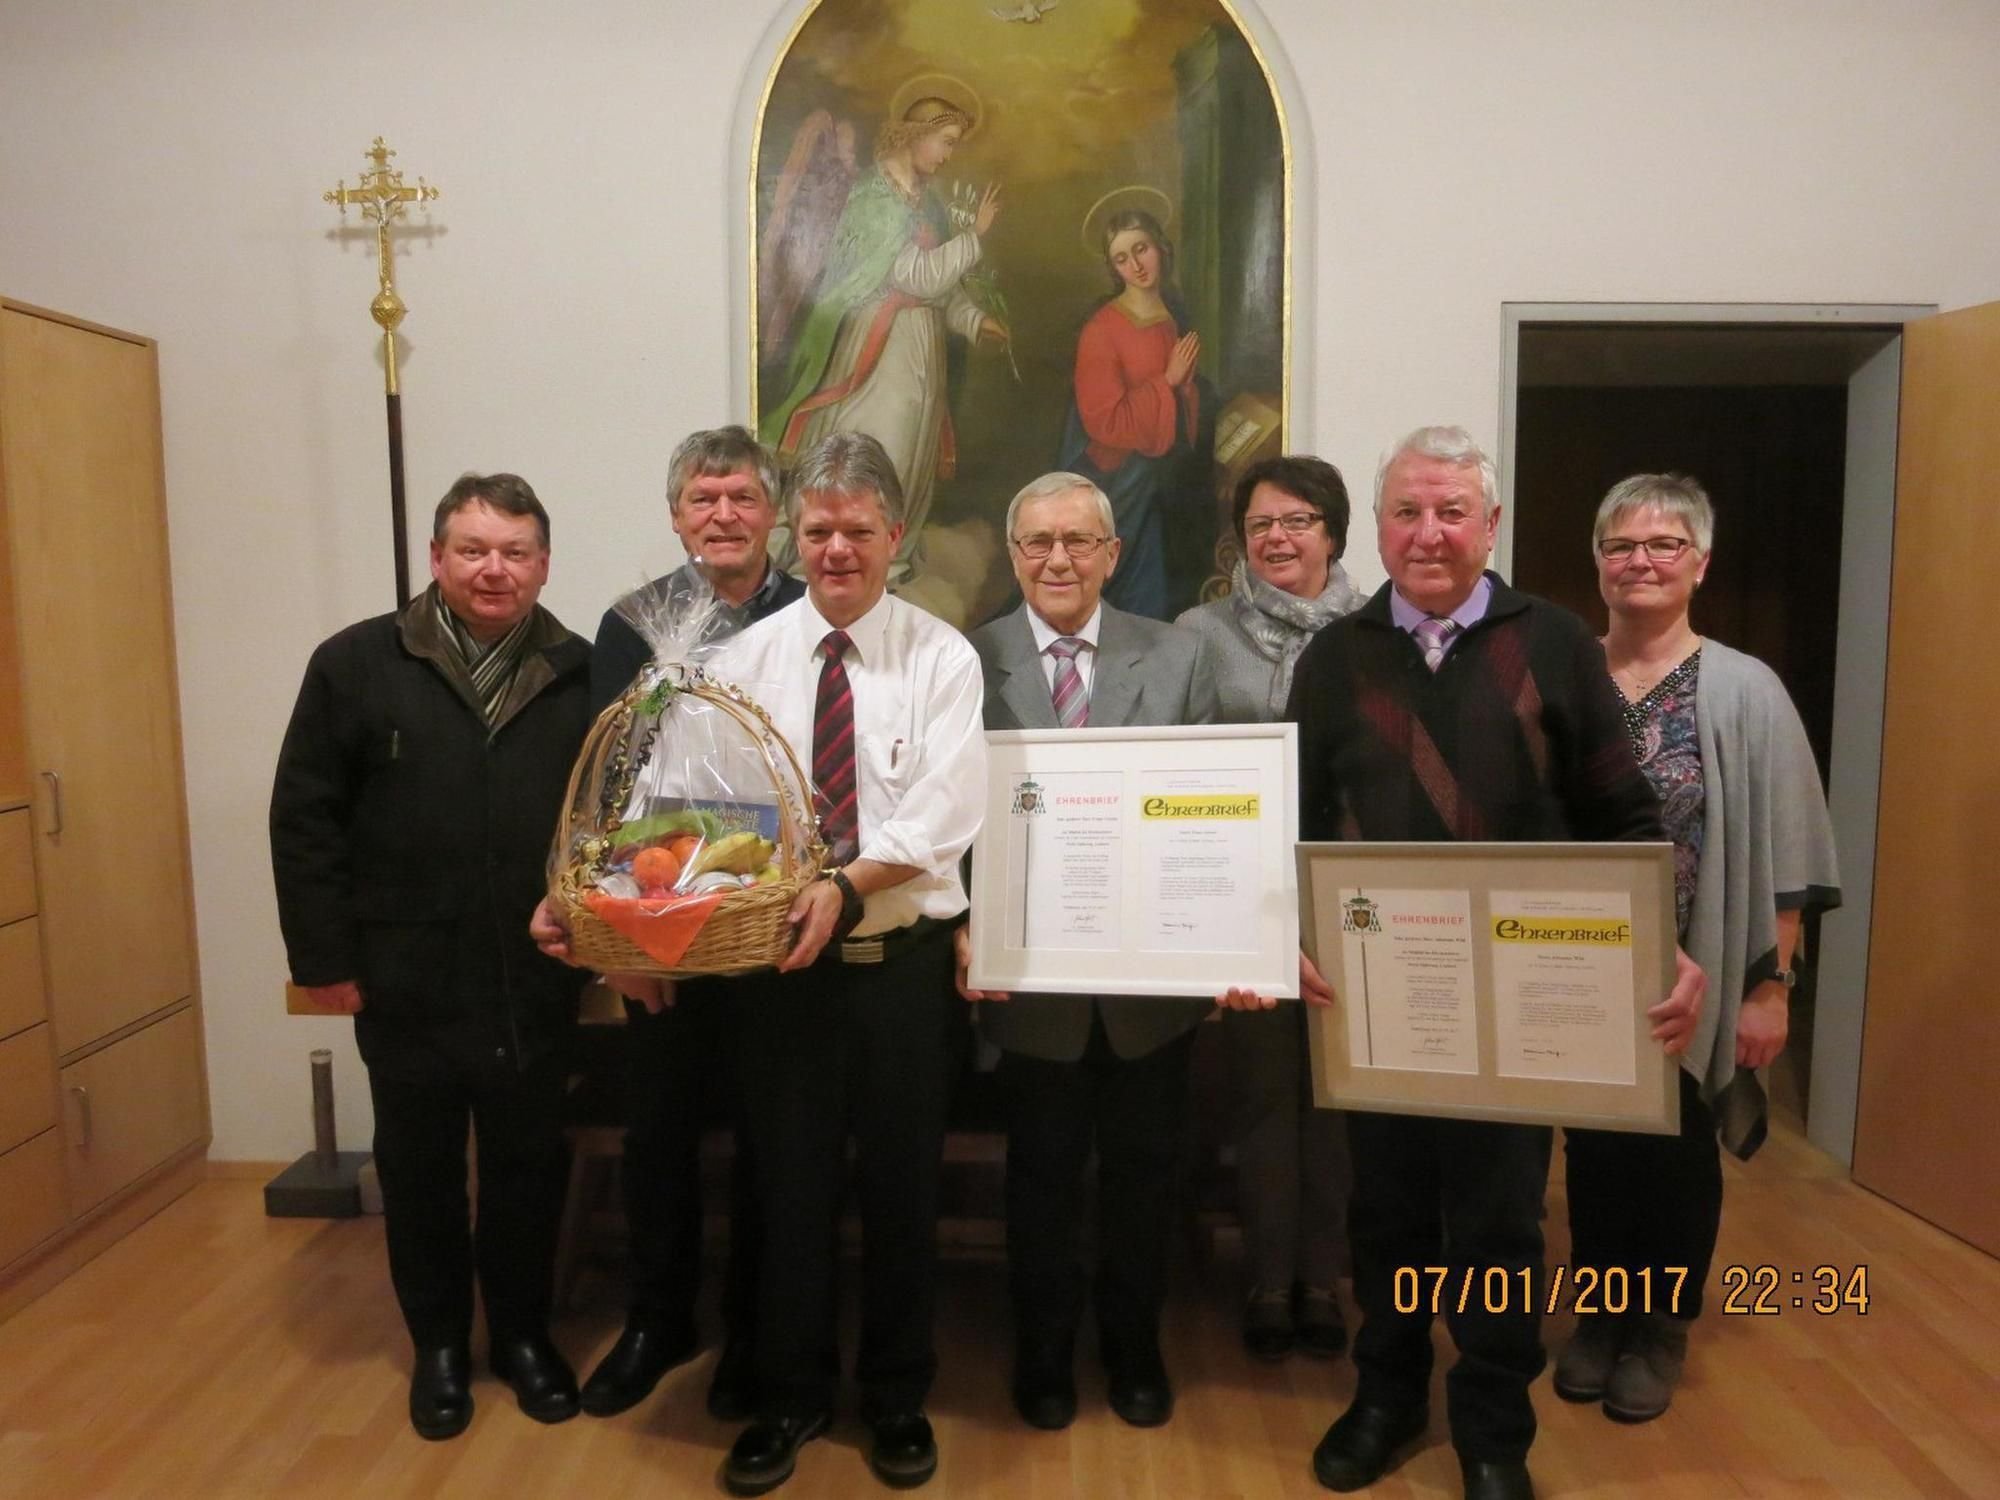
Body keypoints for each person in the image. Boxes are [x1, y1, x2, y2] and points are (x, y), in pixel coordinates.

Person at [1222, 427, 1704, 1500]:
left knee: (1498, 1225)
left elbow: (1625, 818)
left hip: (1517, 1004)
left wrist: (1665, 947)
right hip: (1376, 1001)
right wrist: (1284, 935)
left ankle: (1492, 1429)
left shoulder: (1555, 642)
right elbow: (1289, 827)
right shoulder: (1335, 657)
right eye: (1407, 512)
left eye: (1451, 512)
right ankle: (1387, 1395)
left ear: (1490, 524)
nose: (1428, 533)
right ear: (1378, 529)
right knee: (1384, 1217)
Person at [269, 474, 593, 1441]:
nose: (495, 569)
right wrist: (322, 958)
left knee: (528, 1167)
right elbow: (305, 819)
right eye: (474, 549)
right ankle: (441, 1348)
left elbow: (612, 818)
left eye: (515, 552)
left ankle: (523, 1338)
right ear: (437, 557)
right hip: (404, 973)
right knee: (418, 1174)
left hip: (533, 972)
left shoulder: (580, 671)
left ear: (544, 564)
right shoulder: (356, 664)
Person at [711, 432, 987, 1496]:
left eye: (857, 531)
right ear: (795, 533)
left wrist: (840, 885)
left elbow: (943, 814)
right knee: (788, 1189)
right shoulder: (741, 666)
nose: (836, 549)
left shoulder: (942, 658)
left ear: (894, 535)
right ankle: (789, 1397)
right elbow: (717, 810)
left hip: (899, 969)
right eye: (819, 529)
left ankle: (896, 1397)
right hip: (782, 973)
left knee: (903, 1190)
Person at [1557, 473, 1839, 1422]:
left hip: (1702, 966)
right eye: (1621, 545)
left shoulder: (1747, 690)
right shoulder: (1566, 675)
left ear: (1701, 563)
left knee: (1677, 1152)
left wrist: (1771, 988)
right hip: (1578, 965)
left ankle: (1660, 1327)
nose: (1640, 561)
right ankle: (1601, 1316)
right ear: (1598, 562)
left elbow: (1791, 856)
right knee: (1594, 1150)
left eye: (1664, 544)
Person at [957, 471, 1221, 1432]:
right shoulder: (967, 661)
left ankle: (1134, 1347)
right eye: (1038, 542)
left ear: (1113, 554)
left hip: (1151, 986)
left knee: (1145, 1178)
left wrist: (1225, 937)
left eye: (1078, 541)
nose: (1058, 559)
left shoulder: (1179, 656)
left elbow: (1211, 808)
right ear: (1013, 552)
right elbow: (949, 819)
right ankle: (1041, 1353)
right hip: (1031, 982)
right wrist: (964, 925)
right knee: (1041, 1179)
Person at [574, 427, 805, 1424]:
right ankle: (656, 1318)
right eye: (703, 499)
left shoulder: (812, 612)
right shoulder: (633, 625)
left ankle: (753, 1329)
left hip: (774, 926)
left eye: (742, 497)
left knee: (771, 1139)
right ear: (675, 516)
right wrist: (620, 941)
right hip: (659, 920)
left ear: (773, 513)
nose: (723, 515)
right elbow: (604, 783)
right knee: (658, 1132)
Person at [1175, 455, 1366, 1363]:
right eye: (1259, 525)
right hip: (1243, 896)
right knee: (1260, 1093)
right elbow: (1178, 769)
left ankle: (1321, 1279)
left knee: (1335, 1094)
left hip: (1349, 897)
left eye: (1297, 521)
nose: (1278, 538)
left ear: (1333, 533)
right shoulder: (1200, 634)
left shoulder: (1377, 634)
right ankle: (1265, 1278)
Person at [759, 96, 1008, 582]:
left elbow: (943, 287)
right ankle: (843, 567)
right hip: (882, 351)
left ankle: (890, 564)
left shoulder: (925, 201)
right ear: (917, 134)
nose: (948, 155)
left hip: (922, 348)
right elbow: (917, 277)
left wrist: (975, 320)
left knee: (913, 457)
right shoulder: (874, 198)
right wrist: (975, 237)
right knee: (884, 448)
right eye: (945, 142)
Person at [1059, 206, 1209, 620]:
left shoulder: (1173, 315)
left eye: (1141, 249)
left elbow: (1185, 401)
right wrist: (1168, 381)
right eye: (1122, 258)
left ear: (1160, 246)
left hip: (1167, 475)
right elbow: (1105, 422)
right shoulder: (1102, 330)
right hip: (1122, 484)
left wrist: (1185, 389)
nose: (1136, 266)